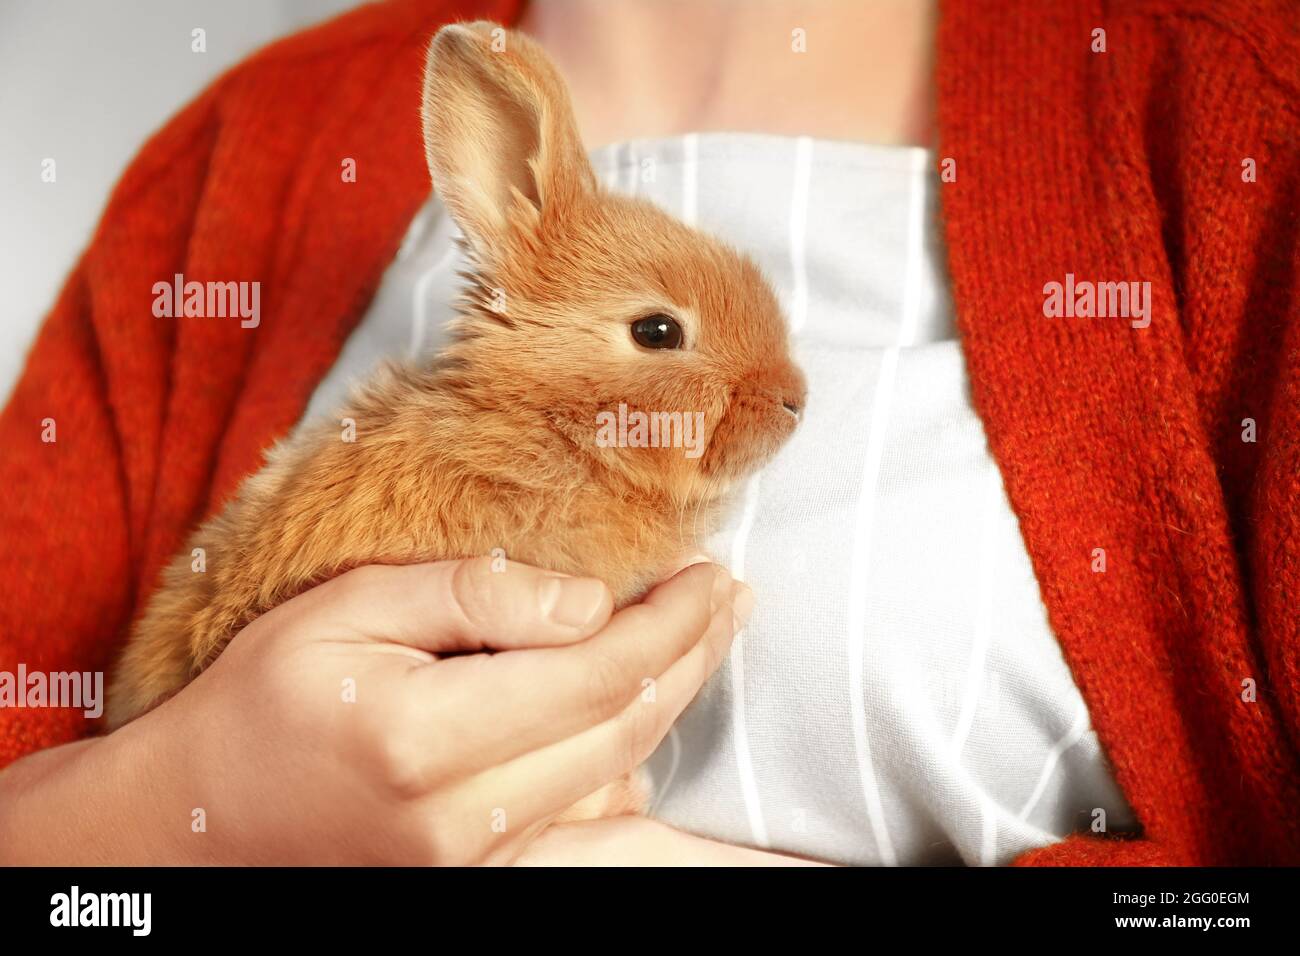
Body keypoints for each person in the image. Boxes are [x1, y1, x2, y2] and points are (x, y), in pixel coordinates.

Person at [1, 0, 1297, 866]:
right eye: (662, 337)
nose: (784, 405)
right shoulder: (250, 154)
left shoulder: (1240, 94)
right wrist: (182, 816)